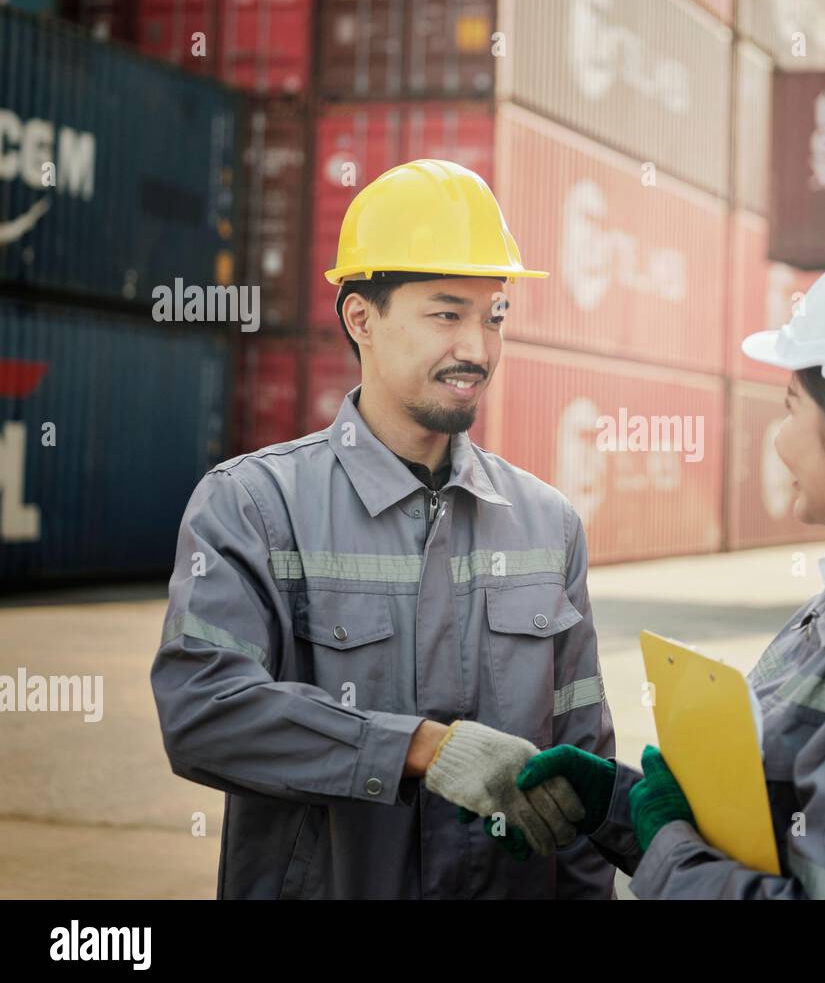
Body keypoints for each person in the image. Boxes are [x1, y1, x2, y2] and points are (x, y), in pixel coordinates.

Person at [482, 241, 825, 898]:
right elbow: (773, 835)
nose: (777, 440)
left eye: (789, 409)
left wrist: (667, 842)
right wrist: (614, 803)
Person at [150, 160, 611, 899]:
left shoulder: (547, 524)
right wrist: (417, 749)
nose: (479, 348)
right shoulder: (255, 505)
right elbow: (205, 710)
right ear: (361, 316)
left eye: (495, 315)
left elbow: (578, 779)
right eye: (447, 312)